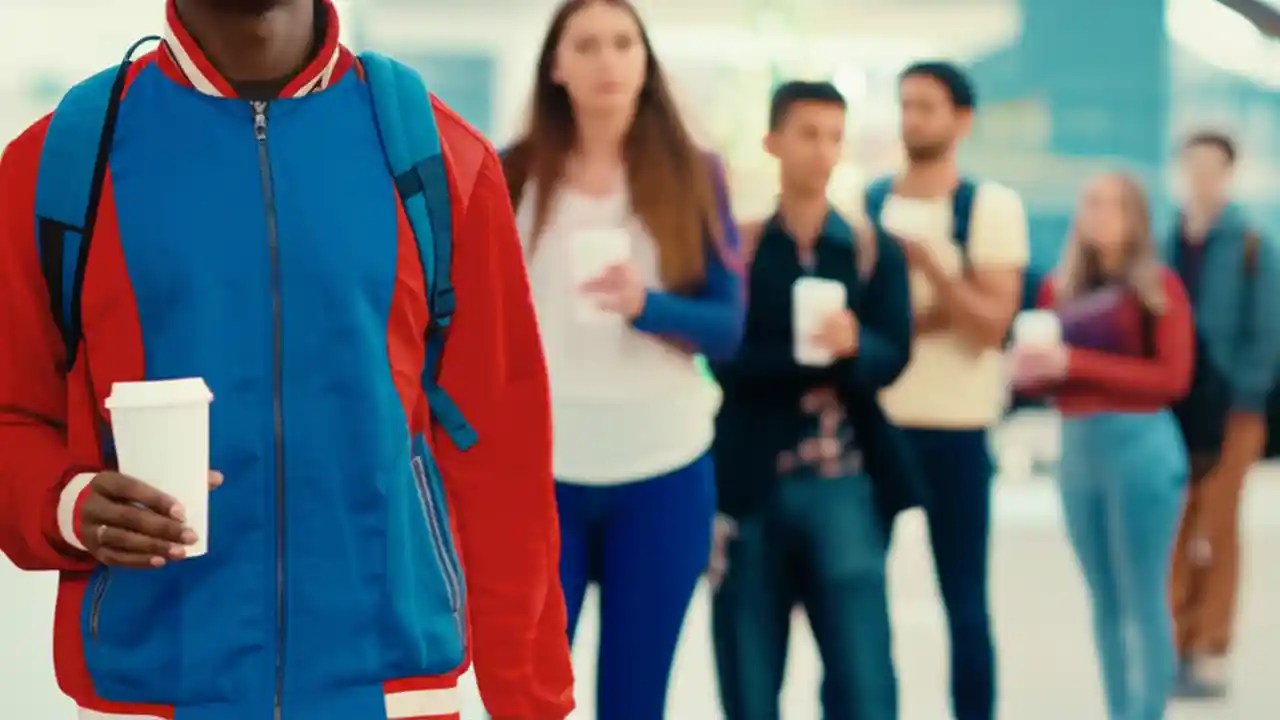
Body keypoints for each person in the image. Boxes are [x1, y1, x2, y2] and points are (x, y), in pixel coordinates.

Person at [0, 1, 573, 719]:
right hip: (156, 690)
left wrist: (532, 702)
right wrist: (67, 502)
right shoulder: (59, 163)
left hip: (390, 690)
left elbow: (501, 453)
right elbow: (9, 414)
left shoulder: (441, 158)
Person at [500, 1, 745, 717]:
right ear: (557, 66)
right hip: (544, 474)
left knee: (635, 701)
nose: (608, 60)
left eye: (623, 43)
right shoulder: (511, 174)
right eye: (587, 45)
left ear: (646, 61)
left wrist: (650, 307)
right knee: (530, 695)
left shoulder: (696, 175)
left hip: (663, 470)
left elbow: (728, 328)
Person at [709, 81, 917, 720]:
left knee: (863, 685)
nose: (822, 150)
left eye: (834, 136)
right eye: (807, 133)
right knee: (749, 680)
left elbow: (894, 355)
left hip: (846, 484)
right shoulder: (738, 246)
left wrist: (855, 346)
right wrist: (806, 362)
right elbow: (723, 357)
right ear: (774, 141)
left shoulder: (869, 246)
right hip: (751, 488)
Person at [865, 61, 1028, 720]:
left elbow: (991, 326)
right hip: (876, 425)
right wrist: (933, 313)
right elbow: (858, 323)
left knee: (964, 601)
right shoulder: (868, 203)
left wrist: (930, 267)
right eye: (906, 104)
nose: (913, 119)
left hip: (958, 429)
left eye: (927, 107)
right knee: (854, 599)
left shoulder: (990, 207)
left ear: (961, 120)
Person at [1013, 172, 1194, 720]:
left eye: (1112, 205)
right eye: (1090, 202)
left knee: (1143, 596)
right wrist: (1030, 373)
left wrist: (1077, 364)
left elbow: (1171, 379)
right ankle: (1121, 711)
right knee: (1106, 601)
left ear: (1135, 215)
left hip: (1140, 444)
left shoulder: (1159, 287)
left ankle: (1146, 712)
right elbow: (1047, 384)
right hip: (1078, 446)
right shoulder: (1056, 290)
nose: (1099, 214)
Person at [1168, 131, 1280, 697]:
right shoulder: (1167, 238)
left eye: (1213, 168)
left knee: (1219, 526)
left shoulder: (1252, 241)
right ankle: (1177, 641)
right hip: (1175, 403)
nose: (1202, 177)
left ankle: (1211, 646)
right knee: (1174, 525)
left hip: (1232, 409)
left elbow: (1266, 332)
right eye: (1194, 166)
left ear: (1229, 173)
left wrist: (1243, 394)